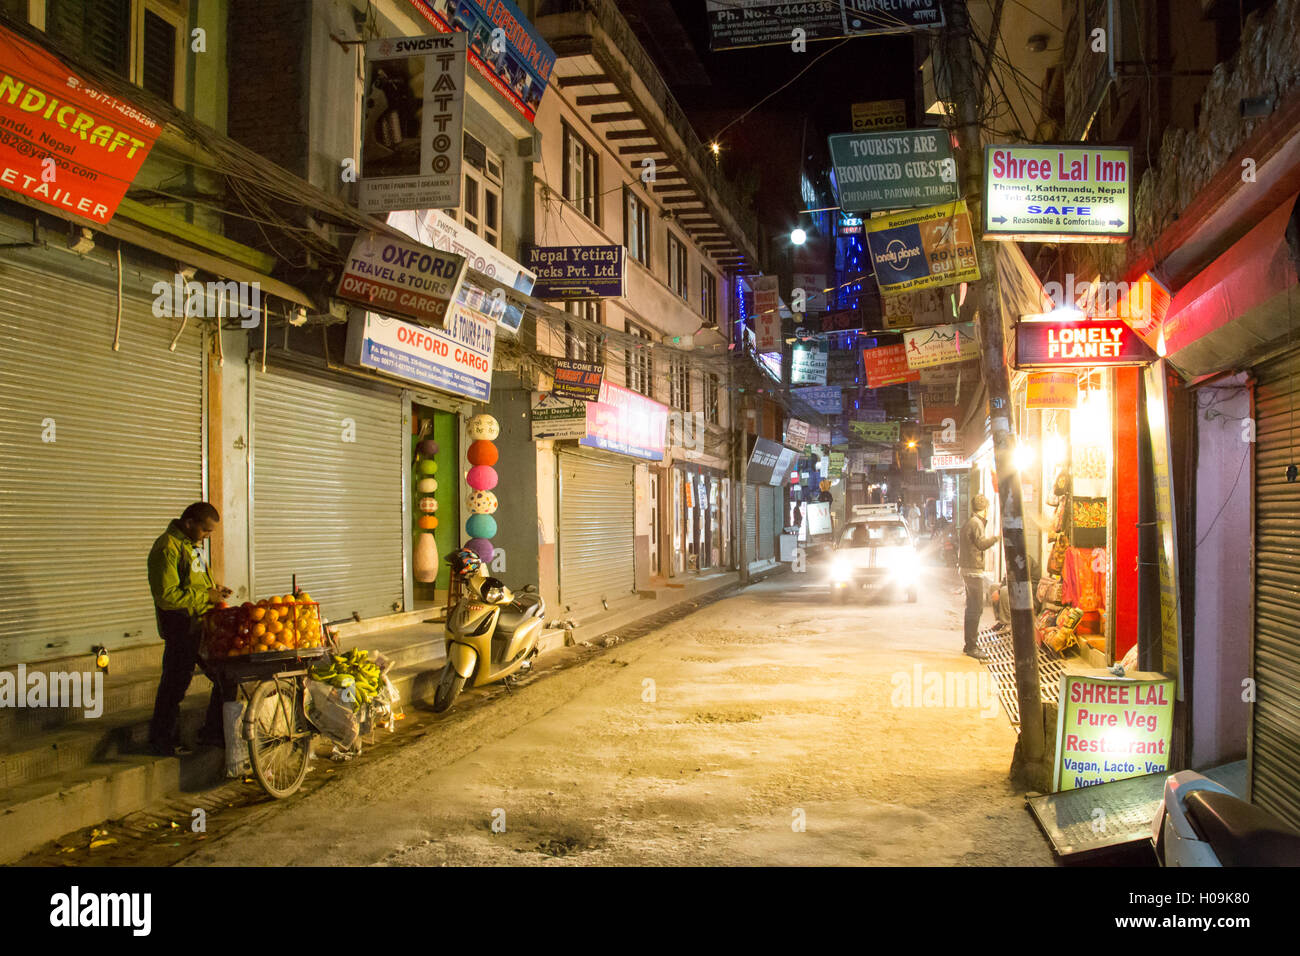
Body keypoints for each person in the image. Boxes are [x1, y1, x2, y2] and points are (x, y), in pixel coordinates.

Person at [147, 502, 233, 757]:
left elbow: (194, 581)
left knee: (224, 676)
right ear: (189, 523)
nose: (207, 537)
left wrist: (215, 590)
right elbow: (167, 596)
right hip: (181, 627)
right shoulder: (166, 548)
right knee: (175, 684)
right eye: (205, 531)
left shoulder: (190, 545)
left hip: (201, 623)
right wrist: (207, 596)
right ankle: (161, 741)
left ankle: (212, 733)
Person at [959, 494, 1000, 660]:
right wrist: (996, 538)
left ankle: (969, 644)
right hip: (972, 570)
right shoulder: (976, 523)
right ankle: (971, 646)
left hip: (968, 569)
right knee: (976, 608)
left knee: (972, 607)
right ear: (986, 509)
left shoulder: (972, 521)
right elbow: (981, 544)